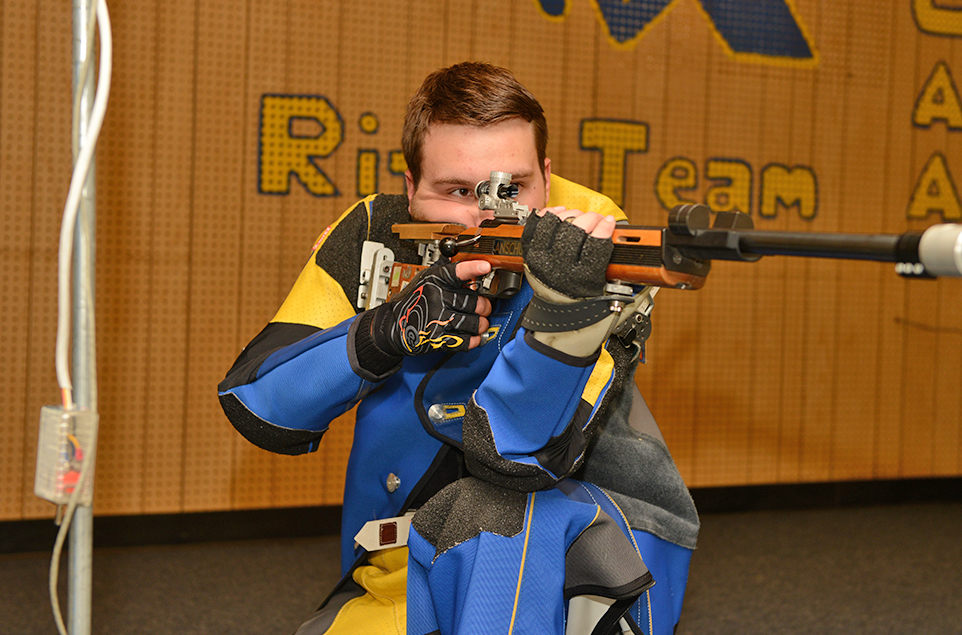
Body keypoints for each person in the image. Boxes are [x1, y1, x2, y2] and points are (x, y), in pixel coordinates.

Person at [219, 62, 698, 635]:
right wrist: (382, 335)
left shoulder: (591, 247)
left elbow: (518, 463)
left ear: (547, 177)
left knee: (490, 512)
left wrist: (563, 314)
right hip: (404, 557)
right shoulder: (377, 234)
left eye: (514, 189)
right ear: (410, 189)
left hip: (575, 563)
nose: (488, 215)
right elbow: (258, 407)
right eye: (459, 191)